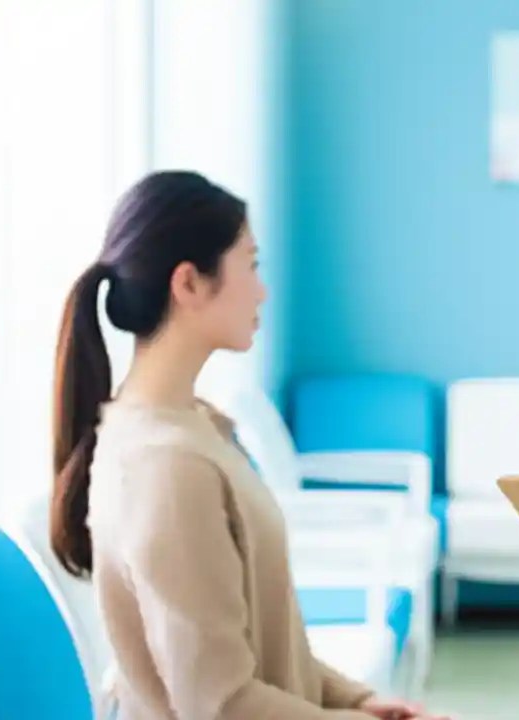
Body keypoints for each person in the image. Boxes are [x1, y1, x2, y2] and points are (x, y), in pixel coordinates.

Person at [50, 170, 449, 720]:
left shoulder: (193, 428)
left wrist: (360, 702)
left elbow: (265, 649)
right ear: (188, 283)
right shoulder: (166, 466)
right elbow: (221, 706)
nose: (261, 289)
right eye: (252, 265)